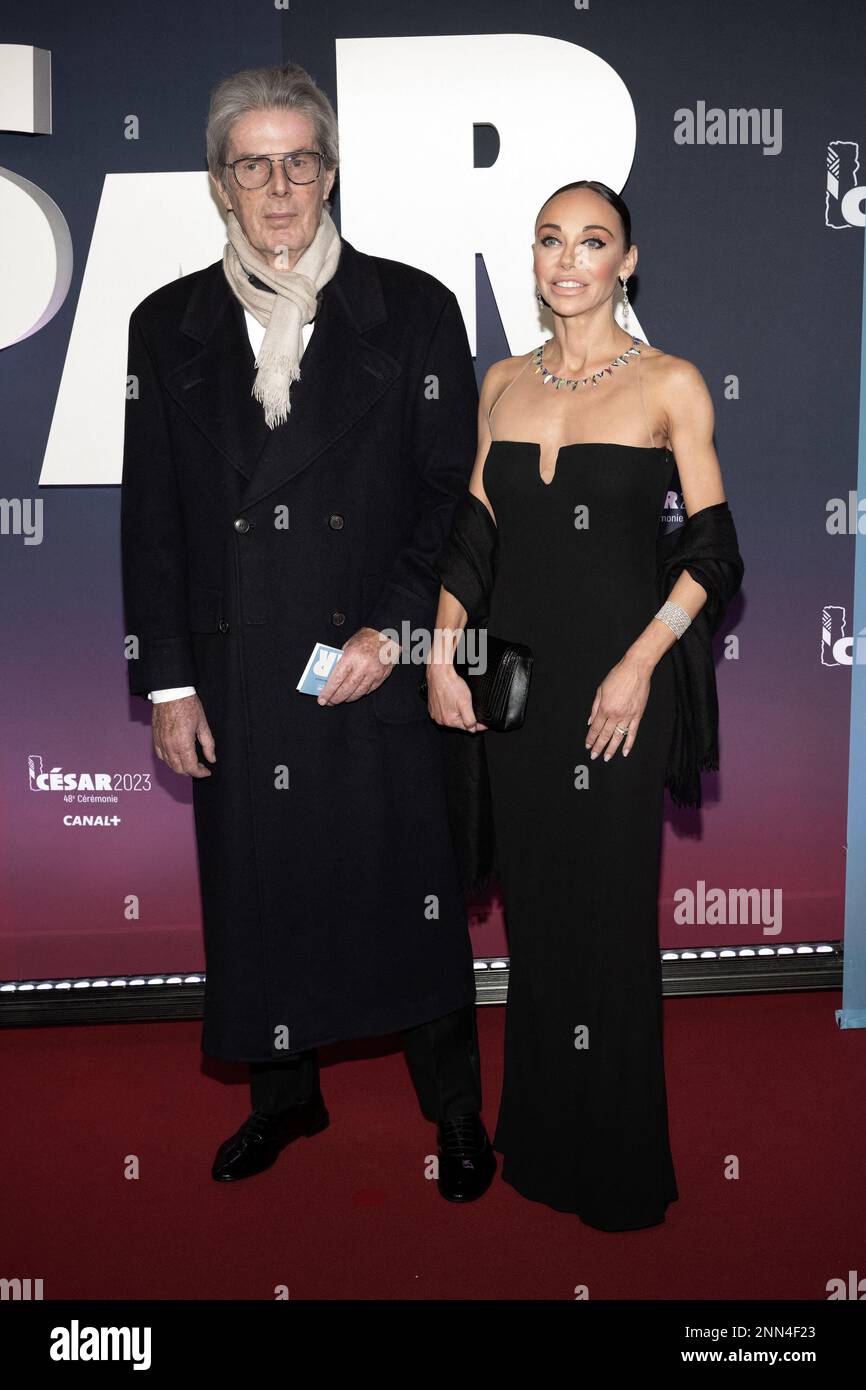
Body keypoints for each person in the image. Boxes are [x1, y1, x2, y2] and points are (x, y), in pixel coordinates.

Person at [120, 62, 496, 1201]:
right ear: (219, 182)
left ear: (328, 174)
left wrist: (394, 630)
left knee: (407, 892)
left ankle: (456, 1114)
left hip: (371, 664)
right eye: (253, 164)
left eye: (299, 162)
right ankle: (285, 1101)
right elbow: (154, 522)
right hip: (239, 667)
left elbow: (452, 495)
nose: (278, 186)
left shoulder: (413, 307)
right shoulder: (164, 324)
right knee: (261, 891)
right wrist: (170, 683)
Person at [426, 180, 744, 1230]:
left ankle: (612, 1165)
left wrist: (641, 659)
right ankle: (542, 1135)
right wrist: (442, 651)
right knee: (538, 918)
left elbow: (710, 549)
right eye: (550, 239)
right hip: (517, 687)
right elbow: (474, 534)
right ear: (532, 256)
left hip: (618, 687)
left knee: (606, 921)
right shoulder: (502, 384)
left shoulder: (669, 384)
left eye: (591, 241)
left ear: (626, 260)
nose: (568, 259)